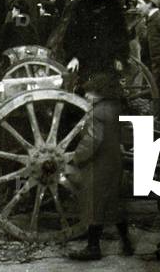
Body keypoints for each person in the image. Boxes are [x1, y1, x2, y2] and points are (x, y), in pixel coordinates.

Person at [68, 73, 134, 260]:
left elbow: (92, 139)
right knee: (113, 204)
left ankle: (93, 247)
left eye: (89, 92)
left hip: (99, 164)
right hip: (114, 161)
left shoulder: (97, 113)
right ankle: (127, 244)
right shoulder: (115, 108)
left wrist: (77, 157)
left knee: (94, 204)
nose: (86, 96)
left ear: (99, 93)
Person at [61, 0, 129, 90]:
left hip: (107, 58)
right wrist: (74, 56)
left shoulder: (113, 5)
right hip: (85, 59)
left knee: (106, 92)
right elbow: (71, 34)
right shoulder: (80, 6)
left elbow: (121, 33)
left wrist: (119, 57)